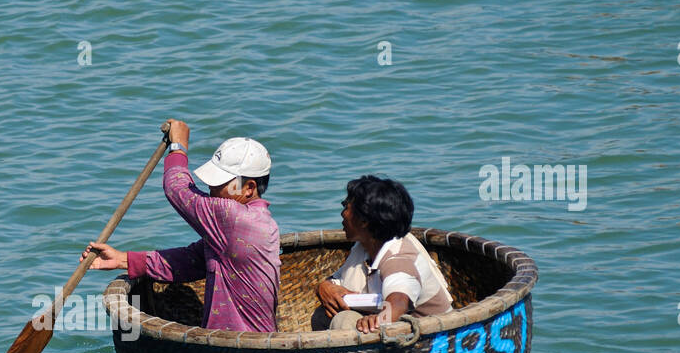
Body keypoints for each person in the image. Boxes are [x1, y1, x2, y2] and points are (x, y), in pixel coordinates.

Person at [82, 119, 280, 333]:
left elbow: (177, 188)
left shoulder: (233, 218)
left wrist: (178, 147)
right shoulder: (260, 223)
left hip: (240, 350)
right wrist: (123, 259)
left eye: (220, 184)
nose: (210, 188)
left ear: (249, 188)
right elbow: (190, 261)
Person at [314, 175, 453, 334]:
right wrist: (323, 287)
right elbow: (335, 282)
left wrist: (379, 320)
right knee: (322, 315)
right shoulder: (363, 247)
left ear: (364, 221)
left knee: (344, 321)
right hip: (394, 329)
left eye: (346, 206)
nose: (342, 214)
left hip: (432, 339)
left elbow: (399, 301)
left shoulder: (399, 257)